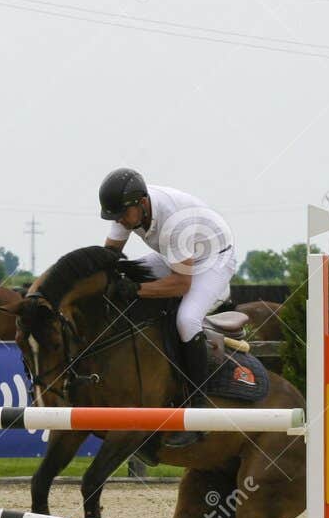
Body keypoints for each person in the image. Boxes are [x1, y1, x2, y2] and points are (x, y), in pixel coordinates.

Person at [99, 168, 238, 449]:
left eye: (124, 216)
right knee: (126, 274)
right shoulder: (125, 208)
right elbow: (108, 257)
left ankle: (198, 408)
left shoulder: (174, 220)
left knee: (186, 320)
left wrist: (137, 290)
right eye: (116, 218)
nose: (122, 223)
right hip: (178, 255)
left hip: (213, 260)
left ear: (141, 204)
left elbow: (181, 284)